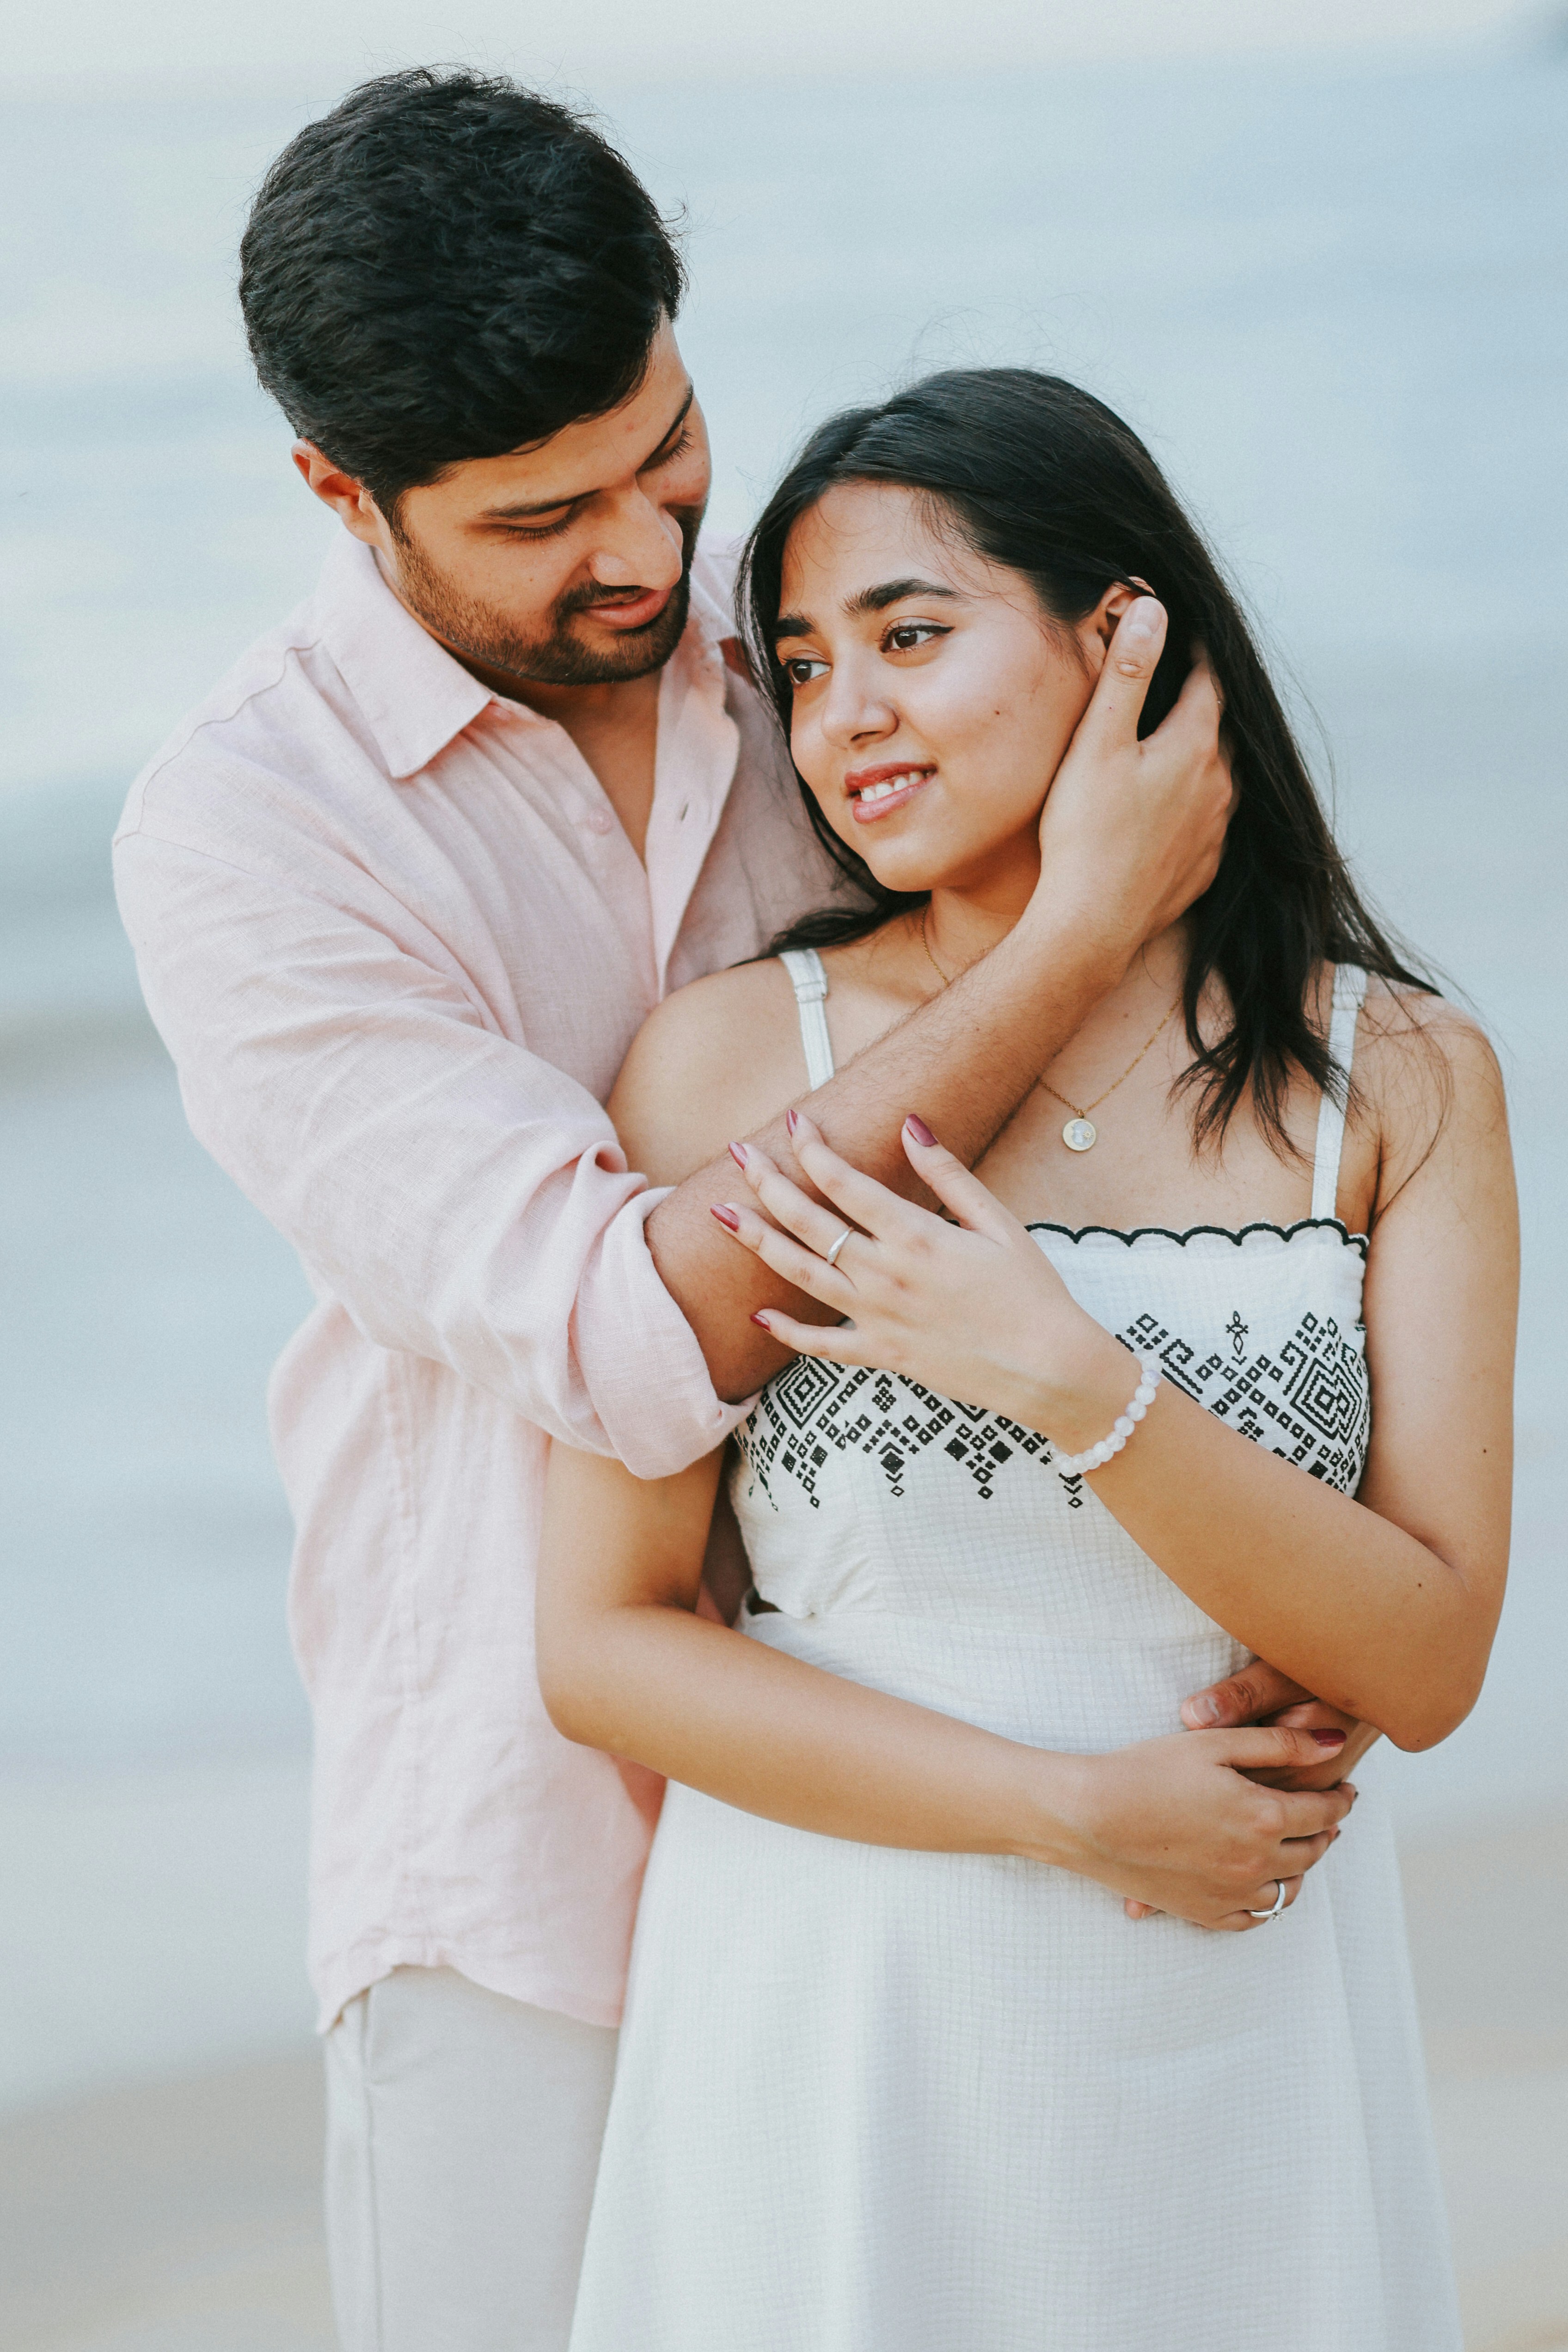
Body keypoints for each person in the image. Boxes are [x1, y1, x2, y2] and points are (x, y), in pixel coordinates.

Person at [109, 67, 1290, 2352]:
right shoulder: (255, 834)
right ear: (340, 496)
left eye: (666, 452)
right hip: (533, 1856)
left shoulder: (811, 688)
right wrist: (1065, 936)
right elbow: (619, 1335)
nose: (647, 552)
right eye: (547, 517)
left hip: (959, 1794)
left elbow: (1141, 1146)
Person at [538, 369, 1517, 2350]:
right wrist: (1064, 1808)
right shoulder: (733, 1061)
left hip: (1239, 1999)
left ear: (1122, 632)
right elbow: (604, 1646)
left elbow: (1423, 1659)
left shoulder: (1394, 1078)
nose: (845, 719)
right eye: (801, 667)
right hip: (841, 2002)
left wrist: (1080, 1387)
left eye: (909, 634)